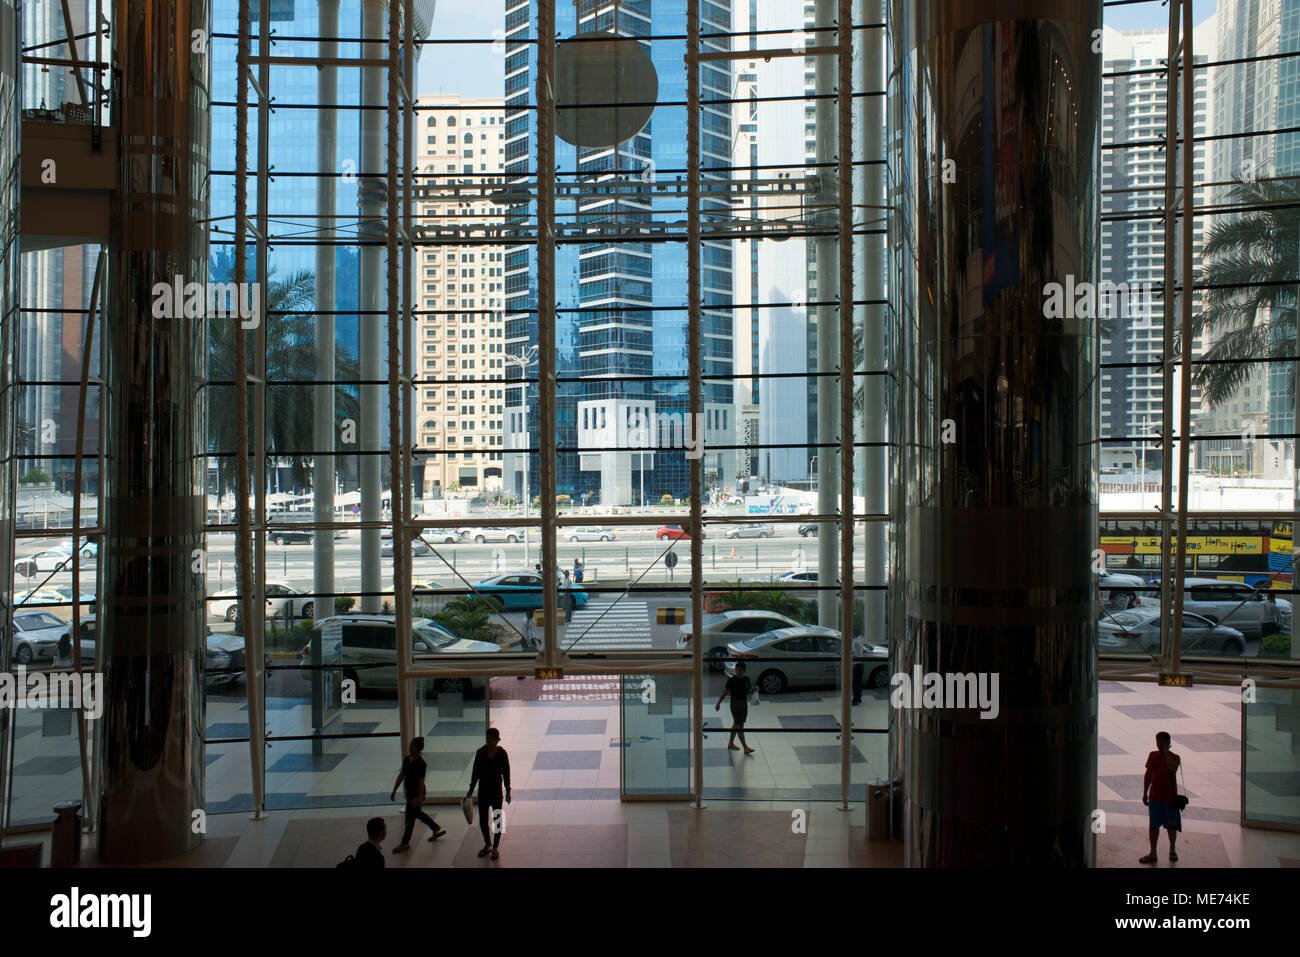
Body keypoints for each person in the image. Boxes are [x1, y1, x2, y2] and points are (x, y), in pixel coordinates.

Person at [390, 736, 446, 852]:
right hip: (410, 793)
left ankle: (405, 842)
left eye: (413, 745)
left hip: (416, 793)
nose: (410, 747)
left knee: (409, 818)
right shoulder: (407, 759)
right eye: (410, 744)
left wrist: (420, 797)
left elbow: (421, 782)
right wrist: (394, 789)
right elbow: (401, 775)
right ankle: (435, 827)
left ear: (418, 748)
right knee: (417, 813)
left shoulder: (421, 763)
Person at [467, 728, 512, 860]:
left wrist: (508, 790)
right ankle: (487, 843)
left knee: (497, 819)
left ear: (497, 740)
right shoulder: (480, 753)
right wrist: (471, 789)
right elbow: (475, 772)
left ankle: (496, 847)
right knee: (482, 820)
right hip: (483, 791)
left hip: (496, 792)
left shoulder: (502, 754)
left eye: (491, 739)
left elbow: (506, 773)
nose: (489, 741)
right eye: (487, 739)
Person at [1141, 730, 1181, 864]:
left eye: (1162, 742)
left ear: (1168, 743)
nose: (1159, 744)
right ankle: (1153, 852)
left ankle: (1172, 848)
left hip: (1170, 799)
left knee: (1171, 826)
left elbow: (1172, 768)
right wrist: (1145, 792)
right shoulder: (1152, 756)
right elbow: (1148, 775)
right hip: (1155, 797)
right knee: (1153, 826)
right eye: (1158, 741)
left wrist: (1165, 753)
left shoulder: (1175, 757)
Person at [715, 661, 757, 754]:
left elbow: (747, 692)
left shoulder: (746, 679)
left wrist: (753, 690)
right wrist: (718, 703)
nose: (738, 672)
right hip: (735, 705)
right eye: (737, 670)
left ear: (744, 670)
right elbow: (725, 692)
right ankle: (745, 747)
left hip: (743, 704)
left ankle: (730, 743)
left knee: (736, 724)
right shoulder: (732, 680)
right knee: (739, 726)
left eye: (740, 670)